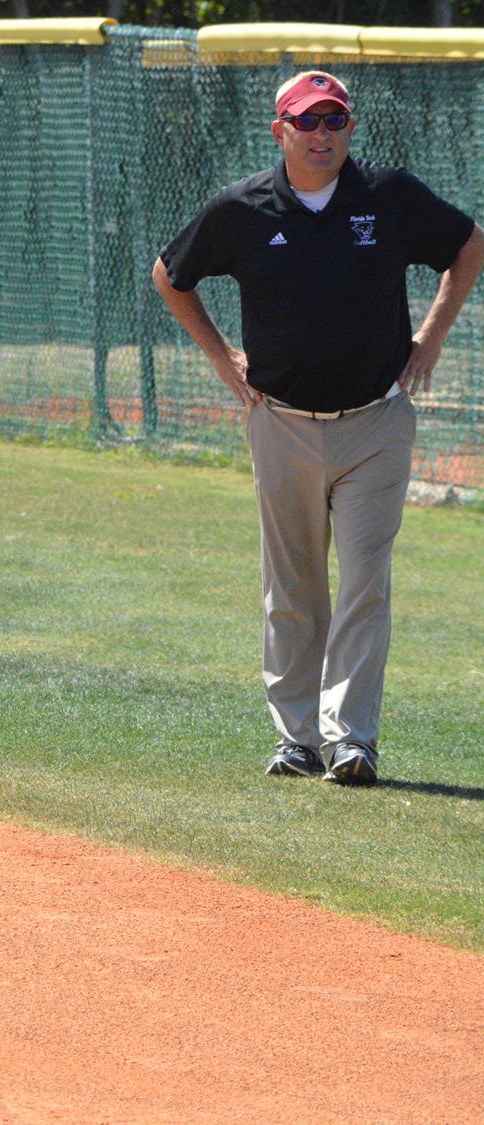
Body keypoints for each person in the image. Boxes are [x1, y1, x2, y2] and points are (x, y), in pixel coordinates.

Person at [154, 71, 484, 787]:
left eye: (335, 119)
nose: (322, 133)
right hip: (282, 424)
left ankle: (351, 739)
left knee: (366, 581)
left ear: (350, 129)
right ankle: (296, 737)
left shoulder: (386, 196)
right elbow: (169, 274)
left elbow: (468, 245)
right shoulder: (244, 209)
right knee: (294, 588)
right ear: (281, 131)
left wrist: (429, 338)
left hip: (375, 424)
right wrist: (221, 360)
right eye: (308, 121)